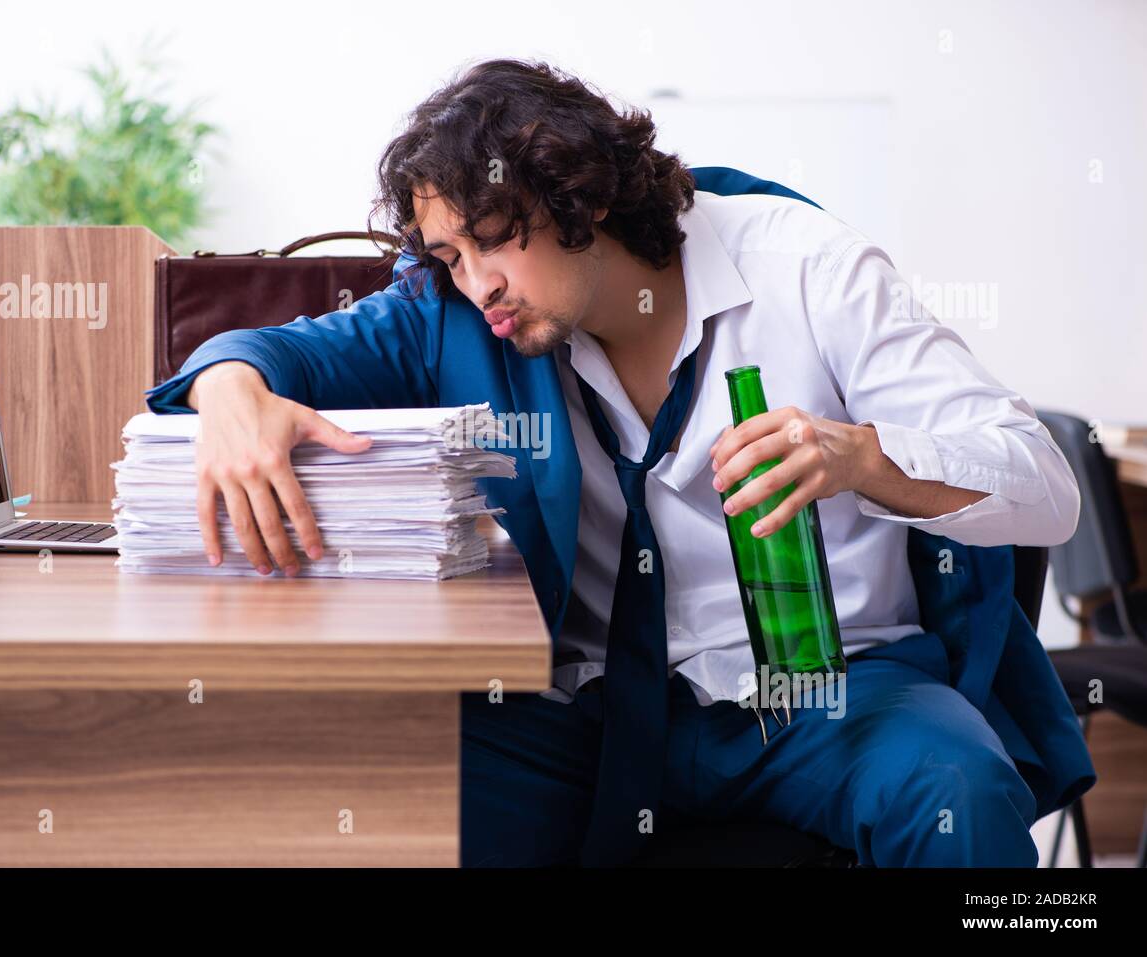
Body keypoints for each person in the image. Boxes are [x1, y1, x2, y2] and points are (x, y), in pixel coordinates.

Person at [145, 58, 1093, 867]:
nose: (479, 284)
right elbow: (287, 352)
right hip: (589, 715)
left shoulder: (810, 268)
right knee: (357, 779)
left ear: (584, 195)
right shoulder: (462, 313)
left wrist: (862, 456)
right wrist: (230, 391)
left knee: (955, 788)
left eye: (491, 238)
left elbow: (1043, 485)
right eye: (449, 255)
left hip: (830, 696)